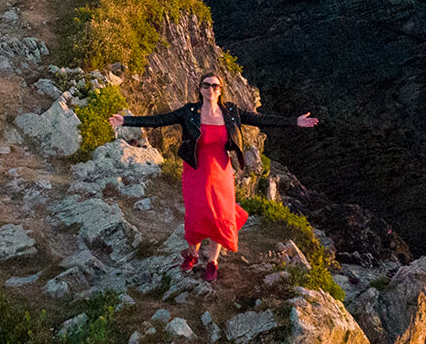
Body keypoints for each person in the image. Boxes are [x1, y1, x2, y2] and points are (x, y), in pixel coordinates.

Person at [110, 72, 318, 281]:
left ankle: (212, 262)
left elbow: (261, 120)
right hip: (195, 169)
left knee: (219, 215)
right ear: (200, 89)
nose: (211, 89)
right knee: (196, 214)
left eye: (215, 86)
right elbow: (159, 120)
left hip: (221, 170)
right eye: (206, 85)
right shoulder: (189, 111)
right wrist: (125, 121)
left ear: (221, 90)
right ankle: (192, 255)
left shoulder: (231, 112)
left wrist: (295, 122)